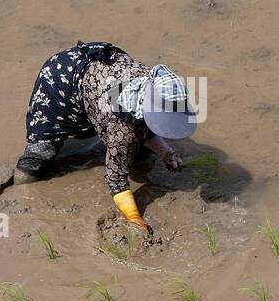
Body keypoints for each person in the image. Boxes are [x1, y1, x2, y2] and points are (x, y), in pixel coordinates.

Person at [13, 41, 196, 233]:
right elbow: (115, 179)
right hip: (60, 80)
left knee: (138, 151)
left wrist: (167, 153)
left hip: (99, 70)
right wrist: (134, 218)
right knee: (41, 152)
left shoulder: (156, 82)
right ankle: (19, 197)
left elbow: (148, 125)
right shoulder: (122, 126)